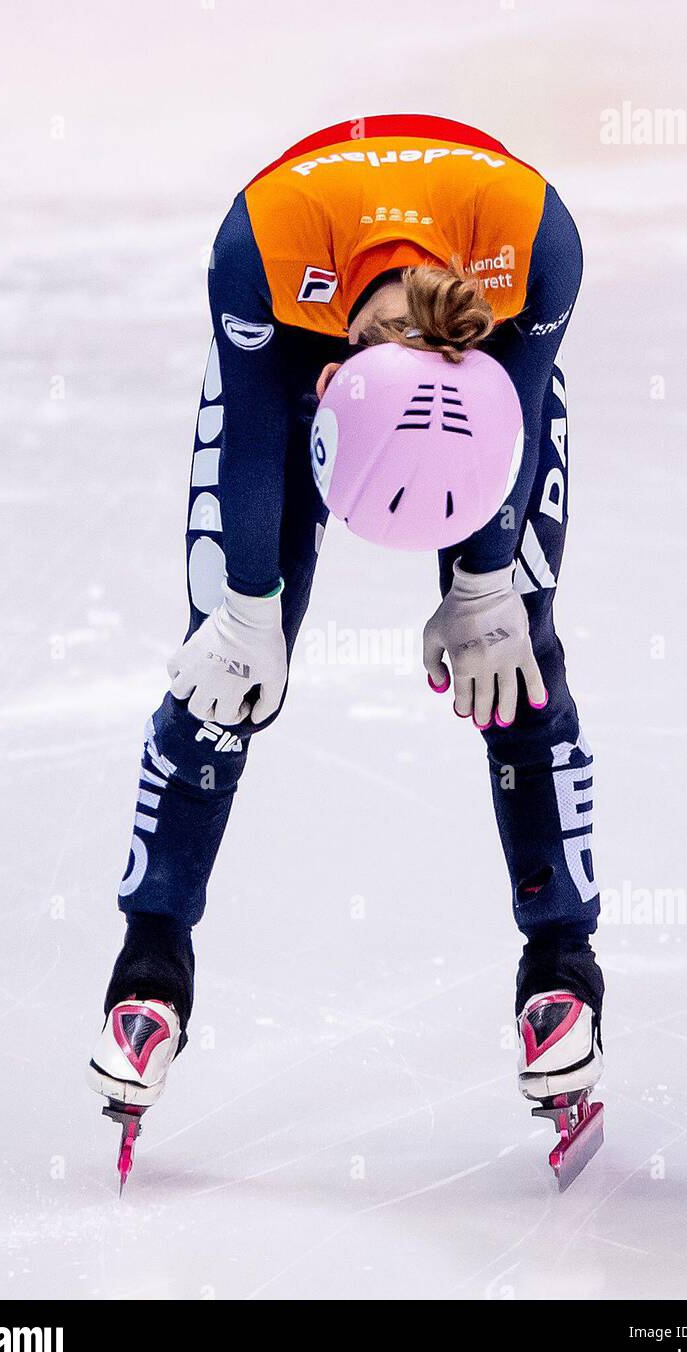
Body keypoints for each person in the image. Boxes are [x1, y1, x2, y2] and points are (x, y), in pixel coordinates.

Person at [88, 115, 605, 1190]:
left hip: (483, 372)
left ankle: (561, 962)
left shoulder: (534, 254)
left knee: (513, 651)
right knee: (224, 664)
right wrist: (246, 612)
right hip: (282, 346)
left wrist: (478, 586)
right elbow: (249, 432)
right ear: (345, 372)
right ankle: (148, 963)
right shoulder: (263, 250)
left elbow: (502, 459)